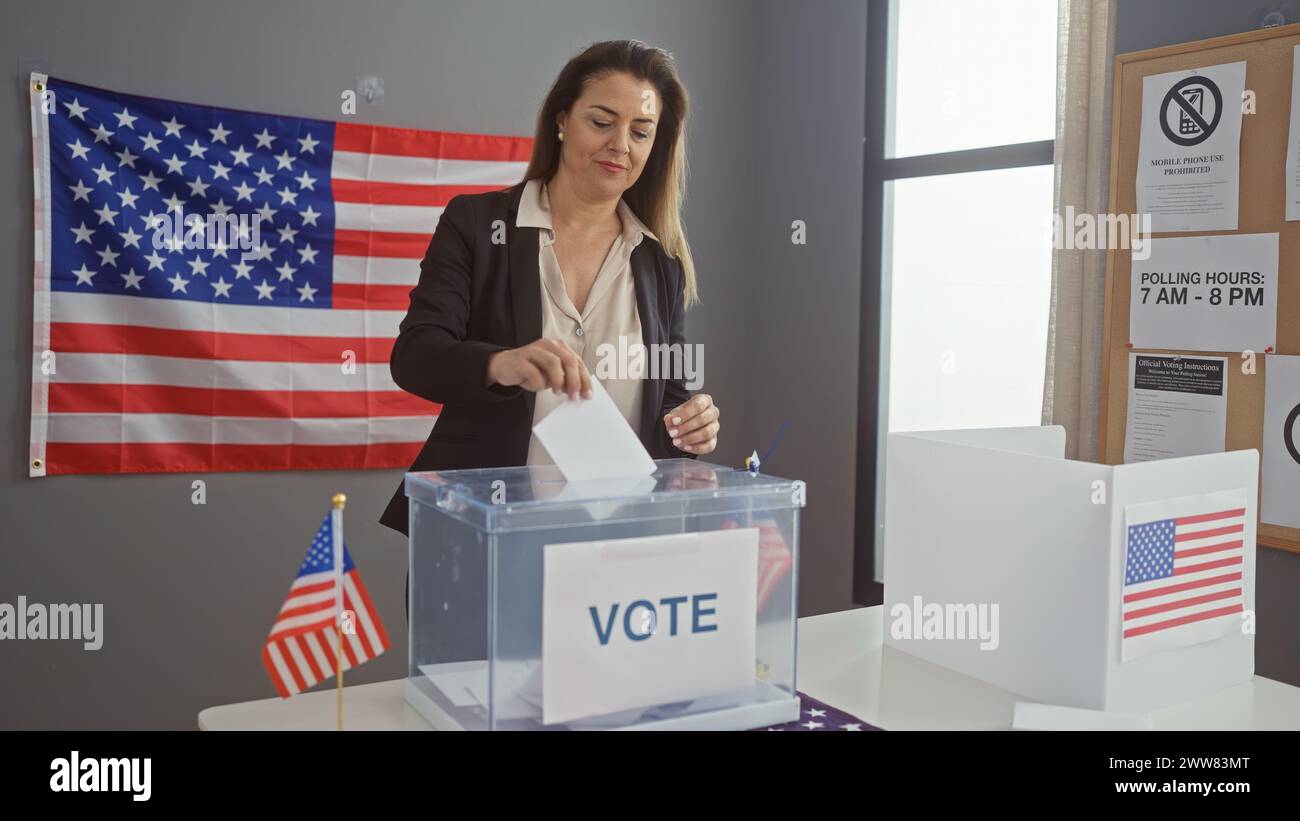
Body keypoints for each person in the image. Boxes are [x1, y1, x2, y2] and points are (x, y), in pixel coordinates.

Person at [379, 39, 721, 559]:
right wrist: (501, 363)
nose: (620, 145)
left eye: (640, 131)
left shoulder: (660, 263)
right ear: (562, 120)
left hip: (615, 545)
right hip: (482, 537)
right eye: (601, 122)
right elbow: (416, 357)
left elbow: (668, 396)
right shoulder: (476, 224)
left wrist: (690, 424)